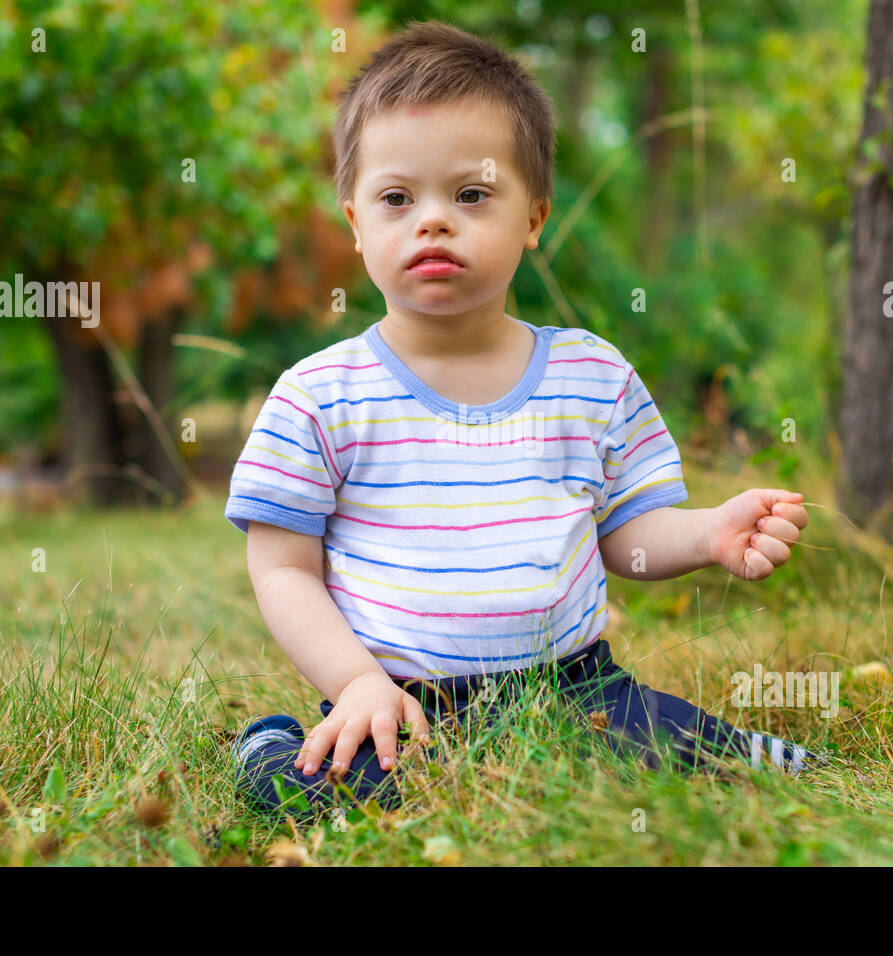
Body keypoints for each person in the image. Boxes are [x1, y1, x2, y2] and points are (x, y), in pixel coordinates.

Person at [225, 21, 819, 818]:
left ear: (533, 218)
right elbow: (284, 569)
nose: (432, 220)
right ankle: (272, 741)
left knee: (707, 759)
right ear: (355, 223)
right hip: (406, 700)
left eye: (471, 195)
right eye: (397, 198)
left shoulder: (590, 375)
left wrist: (707, 533)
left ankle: (715, 750)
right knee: (333, 797)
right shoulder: (320, 394)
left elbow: (625, 536)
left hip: (576, 685)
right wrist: (356, 682)